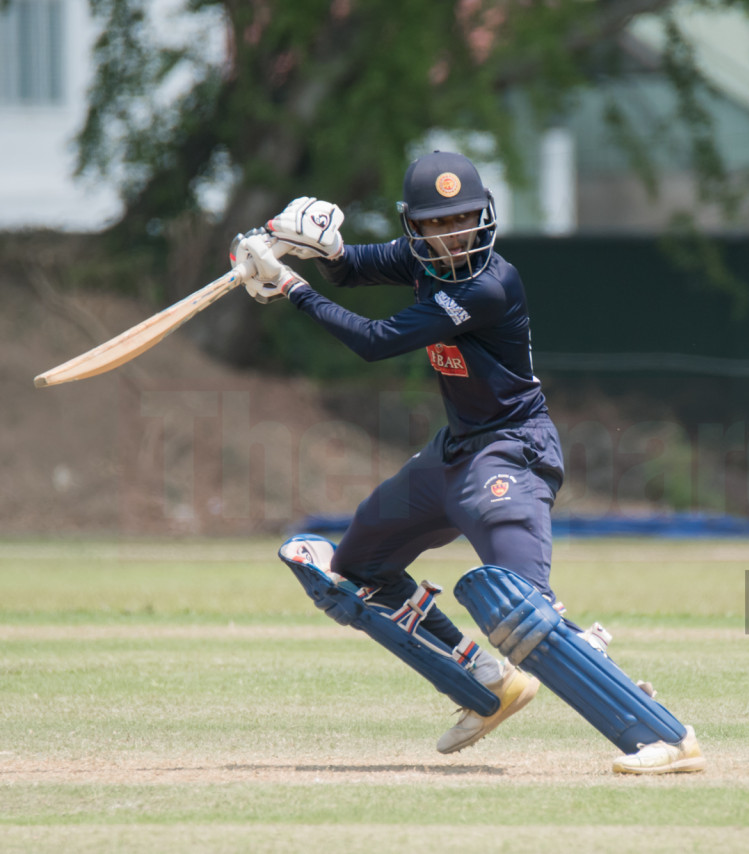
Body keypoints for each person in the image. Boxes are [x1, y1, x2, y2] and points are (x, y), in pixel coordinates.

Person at [231, 150, 705, 775]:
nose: (453, 235)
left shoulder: (489, 286)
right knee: (357, 569)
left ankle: (666, 736)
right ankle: (487, 681)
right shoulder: (421, 259)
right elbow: (349, 269)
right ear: (416, 228)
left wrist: (290, 286)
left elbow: (376, 342)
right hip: (453, 453)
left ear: (484, 215)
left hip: (513, 452)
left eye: (463, 219)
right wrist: (310, 243)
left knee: (522, 611)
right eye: (437, 224)